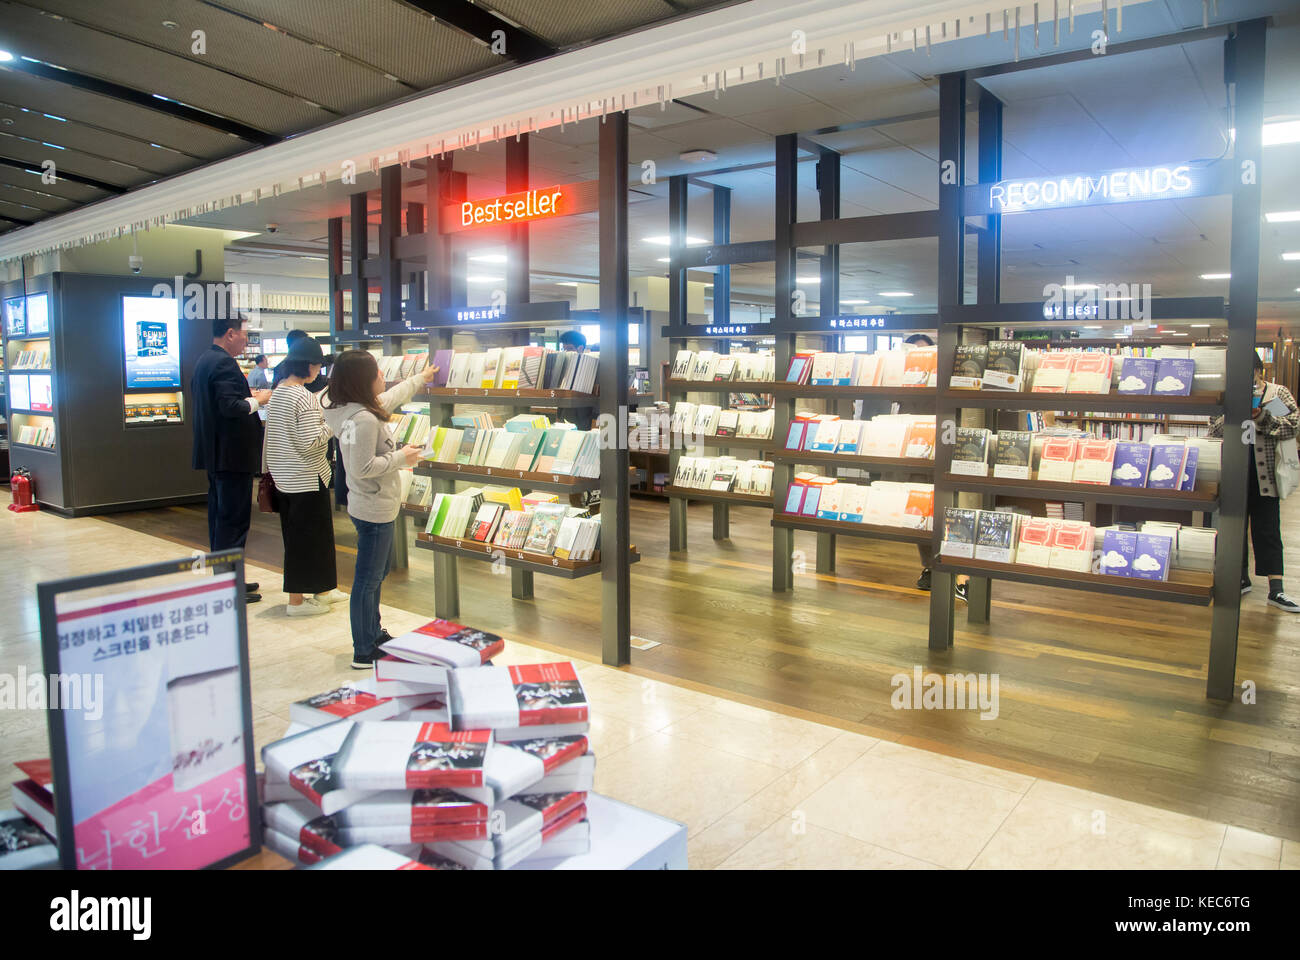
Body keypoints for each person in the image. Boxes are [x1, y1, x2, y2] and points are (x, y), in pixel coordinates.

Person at [323, 350, 441, 668]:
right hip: (373, 506)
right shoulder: (362, 419)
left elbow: (388, 398)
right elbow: (362, 467)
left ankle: (373, 635)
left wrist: (419, 378)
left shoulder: (350, 409)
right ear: (363, 380)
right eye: (377, 372)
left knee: (373, 577)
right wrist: (403, 456)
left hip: (369, 504)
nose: (382, 377)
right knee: (368, 579)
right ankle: (364, 648)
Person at [191, 314, 271, 602]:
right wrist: (257, 400)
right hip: (231, 455)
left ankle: (227, 580)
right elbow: (230, 407)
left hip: (216, 454)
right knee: (232, 520)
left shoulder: (205, 360)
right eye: (243, 335)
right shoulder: (223, 363)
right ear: (229, 334)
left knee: (220, 517)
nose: (245, 341)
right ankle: (229, 586)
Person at [1212, 354, 1299, 612]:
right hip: (1234, 474)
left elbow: (1292, 426)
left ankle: (1276, 589)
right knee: (1234, 529)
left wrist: (1262, 416)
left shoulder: (1275, 394)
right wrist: (1233, 413)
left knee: (1268, 528)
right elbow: (1212, 432)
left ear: (1260, 371)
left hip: (1266, 475)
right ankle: (1240, 578)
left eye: (1249, 372)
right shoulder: (1228, 395)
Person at [263, 336, 343, 616]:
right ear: (308, 366)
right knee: (309, 540)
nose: (318, 372)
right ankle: (296, 602)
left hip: (286, 478)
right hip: (307, 478)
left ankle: (322, 590)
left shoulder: (280, 392)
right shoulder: (303, 396)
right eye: (318, 366)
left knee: (300, 538)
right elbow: (310, 442)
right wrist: (332, 423)